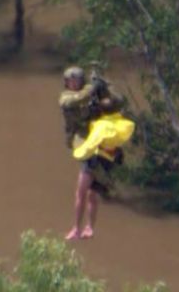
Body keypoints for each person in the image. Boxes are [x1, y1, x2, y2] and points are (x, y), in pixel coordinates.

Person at [59, 65, 128, 240]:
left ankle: (89, 227)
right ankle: (76, 228)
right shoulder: (67, 97)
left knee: (92, 193)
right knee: (81, 190)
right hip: (82, 141)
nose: (74, 84)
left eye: (76, 80)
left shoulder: (93, 95)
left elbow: (118, 102)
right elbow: (75, 101)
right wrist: (92, 88)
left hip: (98, 142)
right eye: (70, 81)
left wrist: (105, 87)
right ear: (66, 83)